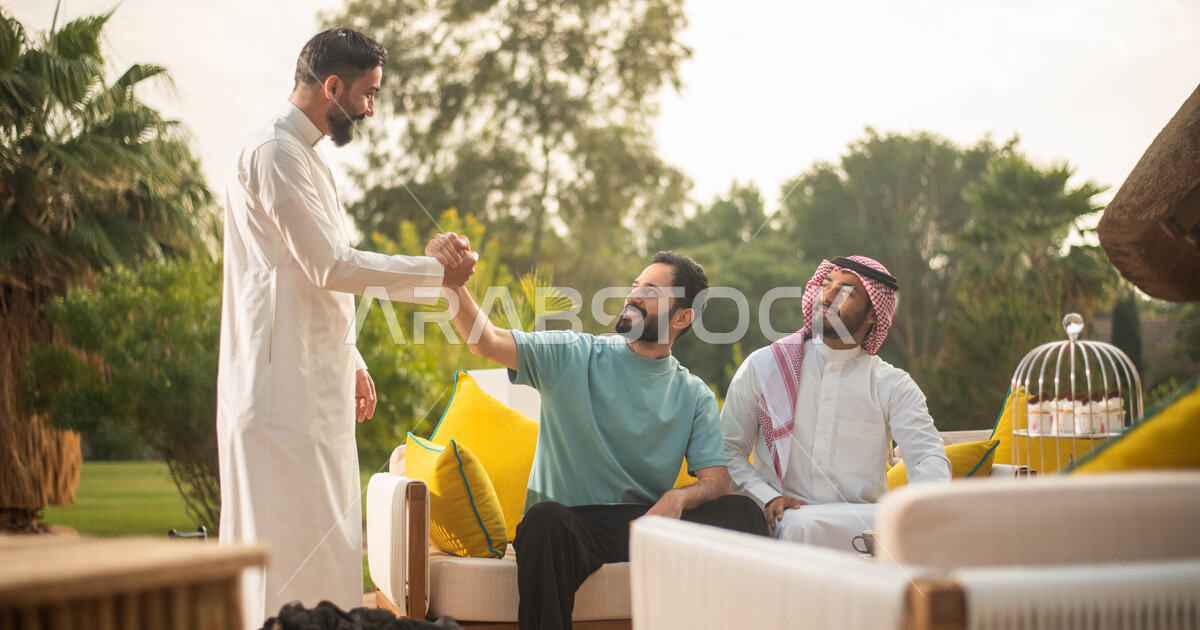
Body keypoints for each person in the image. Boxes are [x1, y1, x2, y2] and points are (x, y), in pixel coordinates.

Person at [216, 27, 475, 629]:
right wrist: (437, 272)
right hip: (281, 395)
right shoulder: (276, 152)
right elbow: (330, 264)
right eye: (367, 93)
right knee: (280, 559)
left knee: (325, 547)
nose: (371, 108)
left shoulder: (304, 156)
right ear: (332, 86)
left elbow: (313, 274)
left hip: (313, 383)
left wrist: (352, 356)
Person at [442, 249, 767, 630]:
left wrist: (676, 498)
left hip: (647, 525)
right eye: (635, 285)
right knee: (543, 522)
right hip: (573, 526)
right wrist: (453, 284)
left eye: (650, 290)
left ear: (682, 317)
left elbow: (718, 481)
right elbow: (488, 341)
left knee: (744, 514)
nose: (633, 295)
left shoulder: (693, 393)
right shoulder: (573, 354)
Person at [721, 256, 950, 550]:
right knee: (801, 526)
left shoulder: (892, 384)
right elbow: (728, 450)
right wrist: (768, 497)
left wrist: (921, 518)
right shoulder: (766, 366)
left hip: (865, 522)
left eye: (846, 292)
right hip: (786, 517)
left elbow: (927, 458)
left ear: (872, 316)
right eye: (826, 285)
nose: (827, 296)